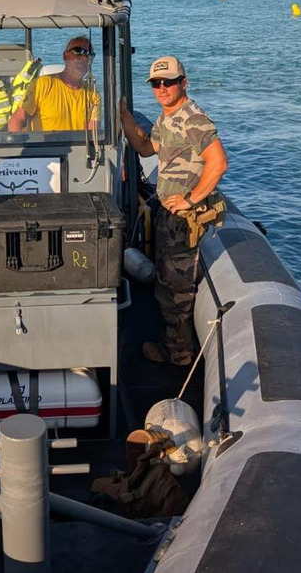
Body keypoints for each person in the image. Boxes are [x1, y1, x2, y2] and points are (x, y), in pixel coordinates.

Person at [119, 56, 228, 367]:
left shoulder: (193, 119)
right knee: (167, 284)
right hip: (168, 216)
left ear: (184, 83)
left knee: (177, 292)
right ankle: (174, 345)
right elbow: (145, 148)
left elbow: (218, 162)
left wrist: (190, 200)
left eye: (168, 82)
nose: (162, 88)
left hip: (182, 218)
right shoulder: (168, 119)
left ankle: (178, 355)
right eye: (156, 83)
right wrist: (125, 116)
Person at [7, 35, 100, 133]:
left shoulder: (93, 94)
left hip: (79, 148)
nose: (84, 57)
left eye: (89, 54)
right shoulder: (42, 84)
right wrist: (20, 146)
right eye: (78, 51)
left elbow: (93, 134)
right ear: (65, 56)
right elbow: (16, 121)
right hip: (44, 147)